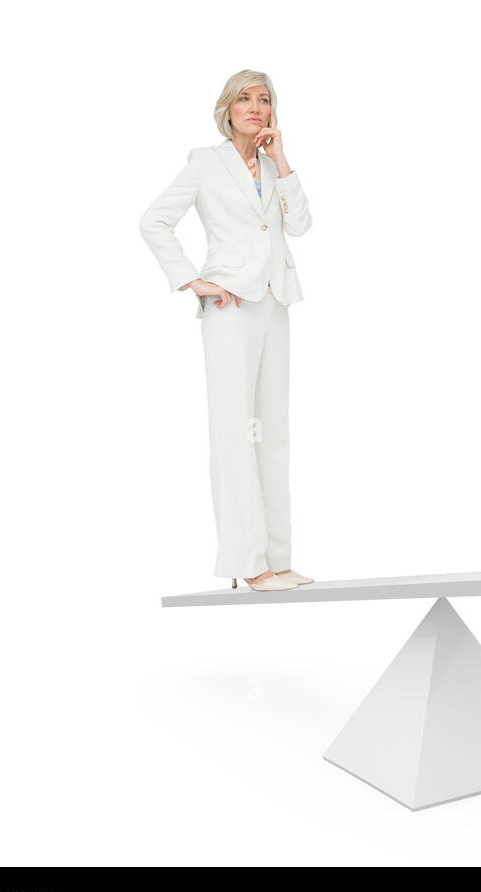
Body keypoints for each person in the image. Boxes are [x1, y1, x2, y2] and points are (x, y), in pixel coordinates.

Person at [139, 69, 315, 592]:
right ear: (227, 109)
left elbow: (300, 225)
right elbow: (153, 221)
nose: (255, 107)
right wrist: (191, 279)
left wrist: (282, 159)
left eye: (264, 99)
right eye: (245, 99)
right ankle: (247, 561)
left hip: (274, 299)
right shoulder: (204, 163)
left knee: (272, 433)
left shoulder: (273, 165)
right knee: (237, 431)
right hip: (230, 305)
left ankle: (277, 559)